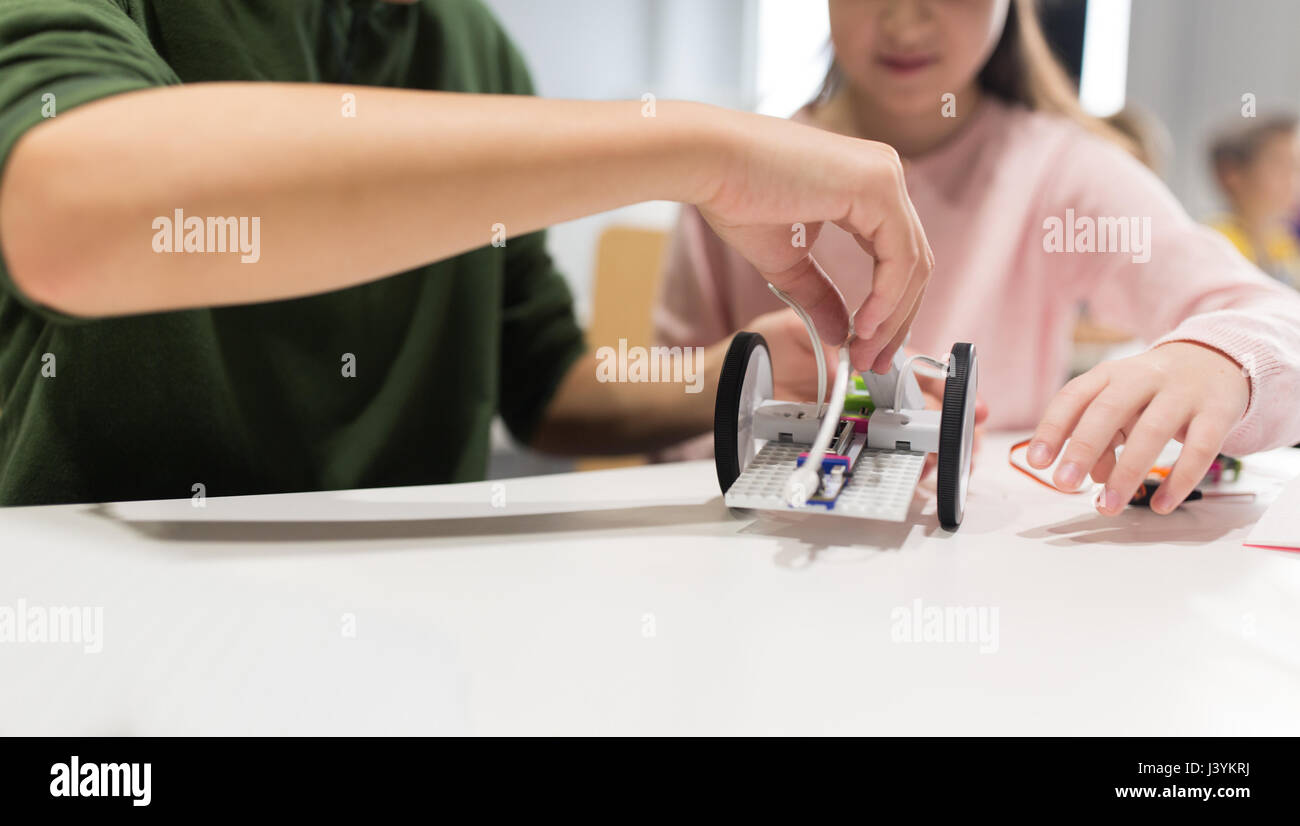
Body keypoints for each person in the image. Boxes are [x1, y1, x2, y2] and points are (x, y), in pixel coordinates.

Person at [0, 0, 934, 506]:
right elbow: (72, 212)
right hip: (116, 630)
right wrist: (702, 155)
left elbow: (543, 383)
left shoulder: (472, 44)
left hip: (415, 630)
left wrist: (752, 367)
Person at [654, 0, 1300, 516]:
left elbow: (1272, 318)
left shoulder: (1062, 170)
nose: (905, 22)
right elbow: (662, 410)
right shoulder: (735, 178)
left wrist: (1220, 359)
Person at [1208, 113, 1300, 289]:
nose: (1291, 180)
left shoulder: (1283, 245)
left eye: (1295, 167)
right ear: (1231, 174)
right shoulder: (1217, 244)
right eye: (1278, 165)